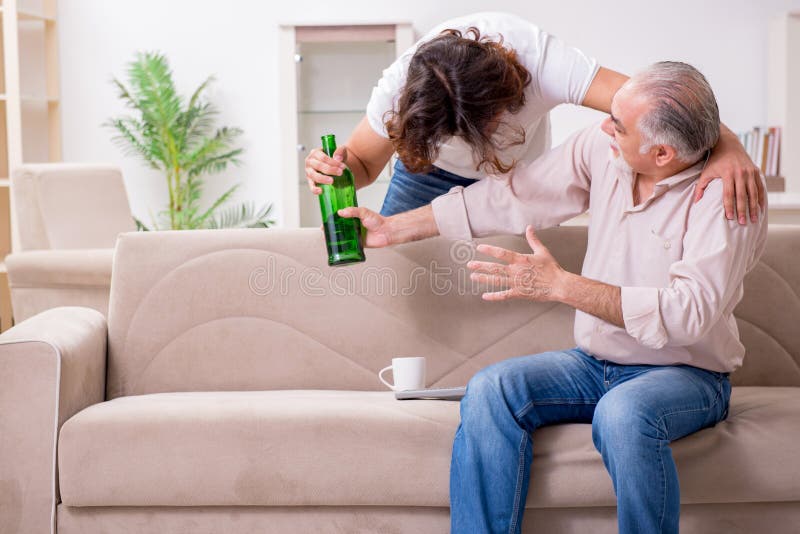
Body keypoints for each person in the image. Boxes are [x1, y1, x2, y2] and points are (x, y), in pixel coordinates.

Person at [338, 61, 767, 533]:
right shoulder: (604, 150)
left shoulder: (726, 199)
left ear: (662, 153)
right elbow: (515, 195)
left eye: (619, 126)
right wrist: (394, 227)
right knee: (492, 388)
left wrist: (563, 286)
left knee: (623, 414)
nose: (605, 125)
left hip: (686, 374)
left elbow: (689, 315)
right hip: (594, 364)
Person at [304, 12, 763, 224]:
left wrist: (728, 145)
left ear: (508, 97)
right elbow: (363, 165)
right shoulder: (401, 89)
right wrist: (338, 172)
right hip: (425, 178)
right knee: (400, 274)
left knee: (510, 289)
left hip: (517, 182)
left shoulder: (543, 61)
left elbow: (656, 102)